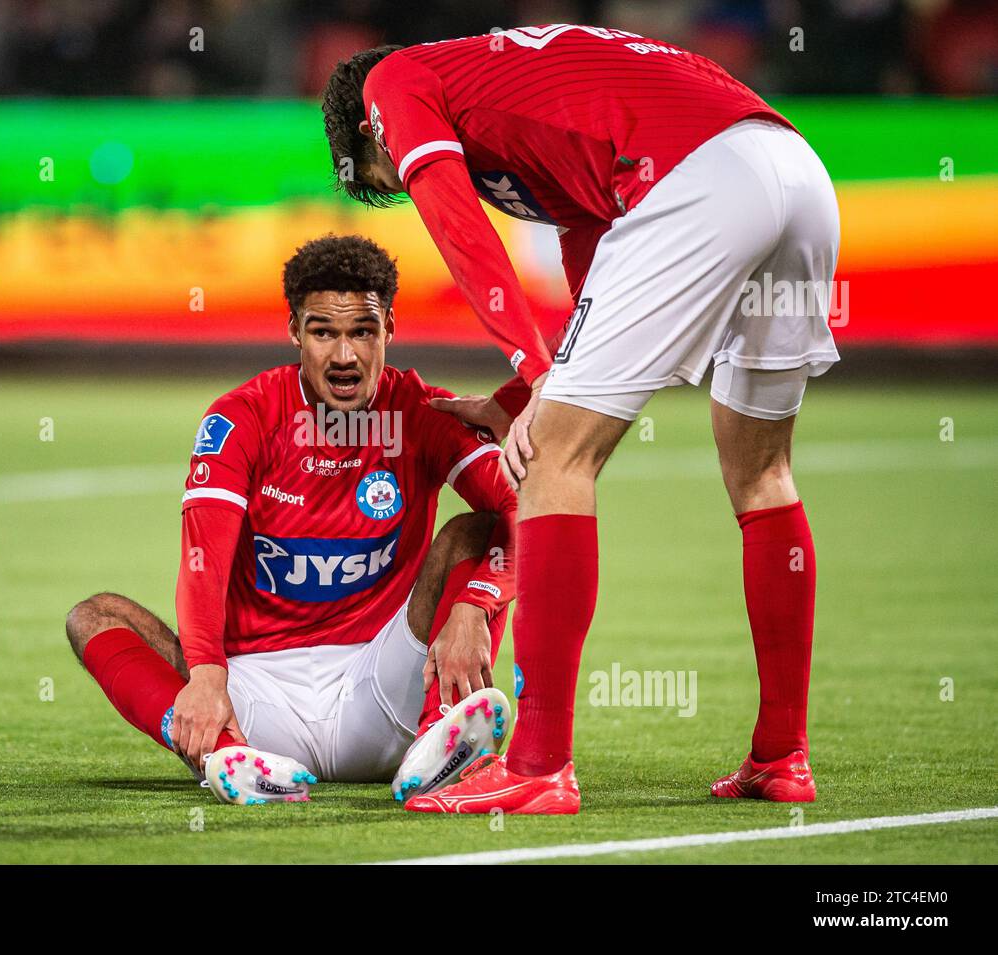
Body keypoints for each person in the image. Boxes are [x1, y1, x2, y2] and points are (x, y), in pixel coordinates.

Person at [322, 23, 838, 813]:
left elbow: (457, 222)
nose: (394, 179)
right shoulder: (514, 101)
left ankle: (537, 764)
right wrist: (538, 390)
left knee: (552, 463)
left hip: (694, 181)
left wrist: (532, 370)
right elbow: (594, 244)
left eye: (380, 171)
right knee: (764, 472)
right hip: (796, 173)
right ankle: (781, 756)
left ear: (367, 127)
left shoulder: (394, 80)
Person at [65, 234, 518, 805]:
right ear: (293, 333)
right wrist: (207, 676)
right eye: (323, 332)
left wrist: (477, 601)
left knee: (471, 532)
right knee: (95, 617)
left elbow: (529, 508)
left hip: (385, 687)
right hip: (255, 701)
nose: (344, 355)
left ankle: (438, 740)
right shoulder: (245, 415)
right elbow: (203, 557)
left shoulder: (423, 413)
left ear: (390, 331)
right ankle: (225, 753)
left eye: (363, 331)